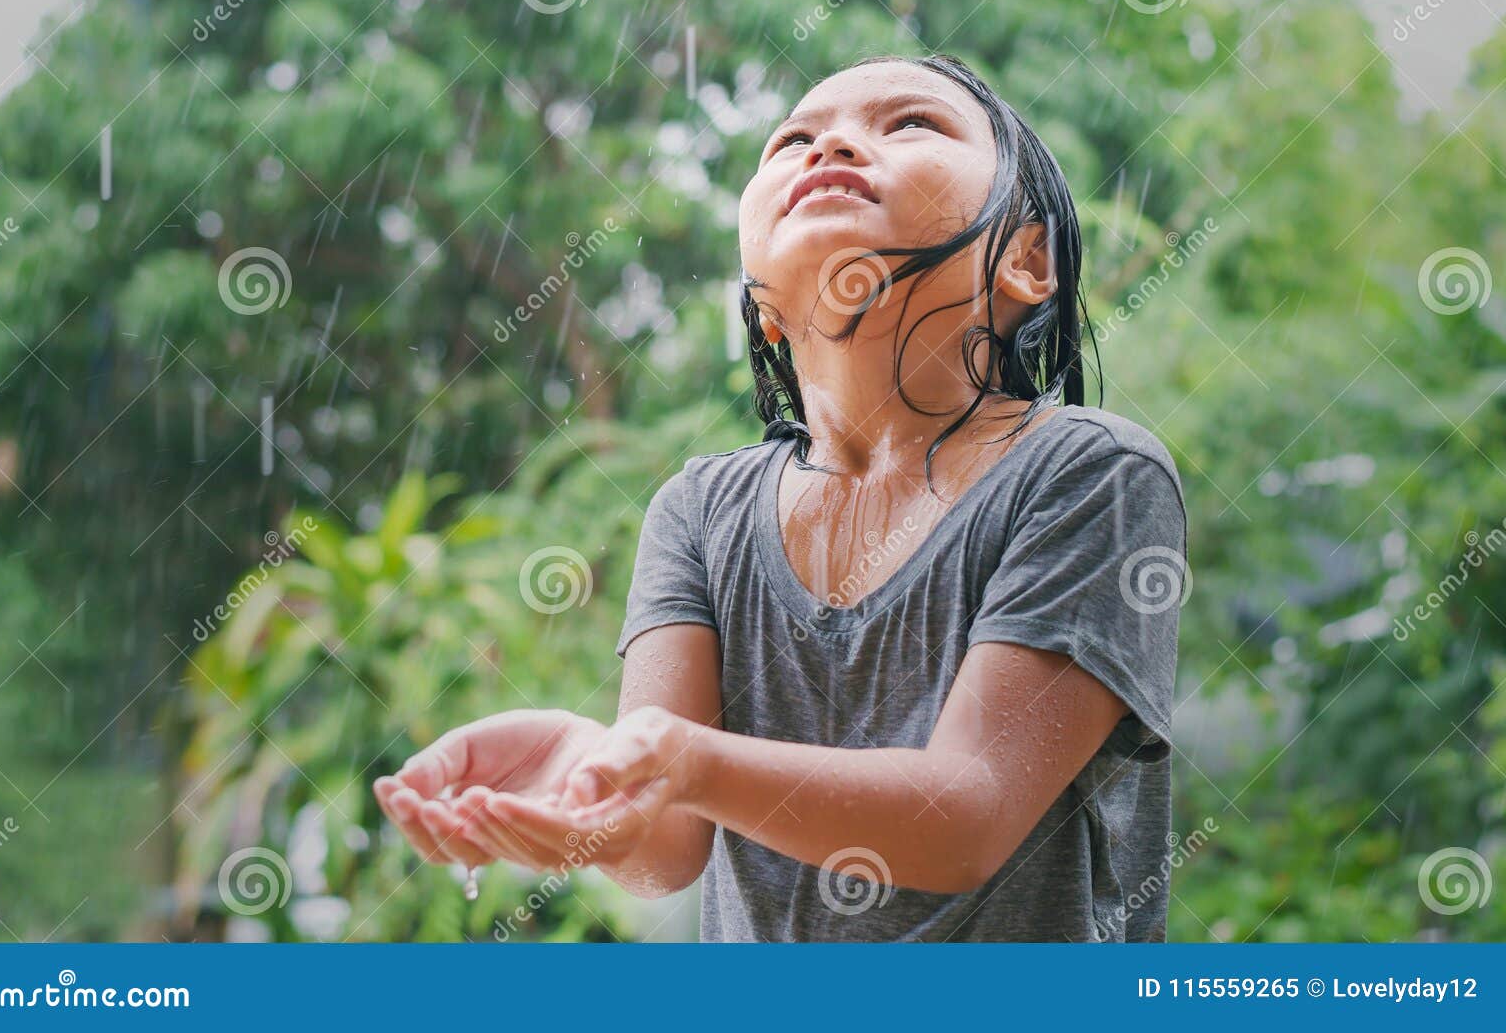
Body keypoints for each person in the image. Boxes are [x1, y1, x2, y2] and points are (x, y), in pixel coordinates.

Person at [373, 52, 1189, 941]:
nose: (831, 145)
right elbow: (663, 847)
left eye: (912, 123)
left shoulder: (1089, 473)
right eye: (792, 140)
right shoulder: (701, 510)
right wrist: (592, 776)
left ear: (1027, 261)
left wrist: (682, 761)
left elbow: (967, 815)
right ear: (762, 302)